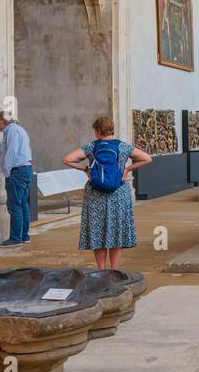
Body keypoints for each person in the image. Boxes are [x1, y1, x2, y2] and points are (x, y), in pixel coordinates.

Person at [63, 116, 152, 270]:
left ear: (97, 131)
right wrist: (127, 169)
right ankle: (114, 270)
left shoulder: (91, 147)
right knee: (115, 231)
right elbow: (147, 158)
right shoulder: (123, 147)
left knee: (98, 232)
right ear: (112, 129)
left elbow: (67, 159)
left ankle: (101, 270)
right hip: (118, 193)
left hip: (95, 194)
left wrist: (86, 169)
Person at [0, 111, 33, 246]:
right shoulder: (19, 129)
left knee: (15, 205)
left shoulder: (12, 130)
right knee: (22, 205)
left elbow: (12, 151)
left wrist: (6, 170)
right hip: (25, 169)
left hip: (17, 171)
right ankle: (24, 236)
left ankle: (16, 238)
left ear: (4, 121)